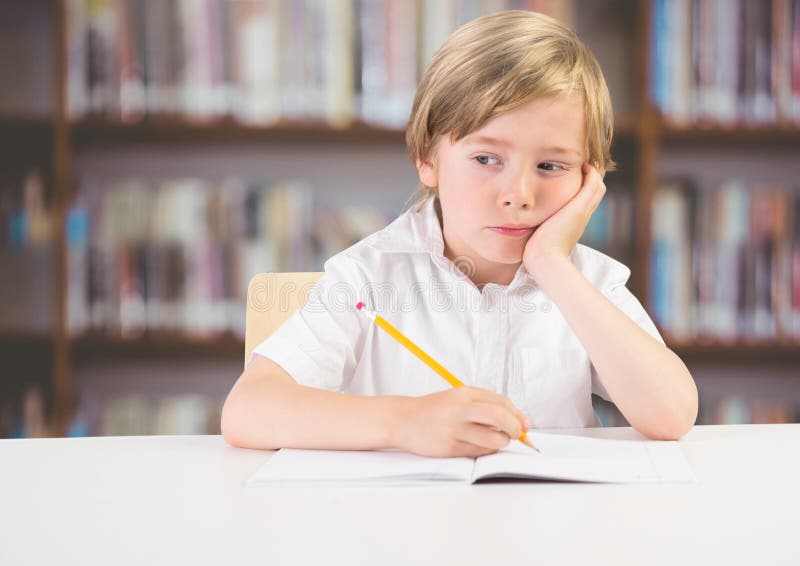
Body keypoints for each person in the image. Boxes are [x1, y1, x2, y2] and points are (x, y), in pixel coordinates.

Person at [221, 10, 698, 457]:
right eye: (486, 159)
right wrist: (404, 421)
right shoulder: (370, 276)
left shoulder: (585, 282)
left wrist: (551, 264)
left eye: (551, 166)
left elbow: (671, 414)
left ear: (588, 180)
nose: (518, 194)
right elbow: (248, 410)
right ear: (428, 159)